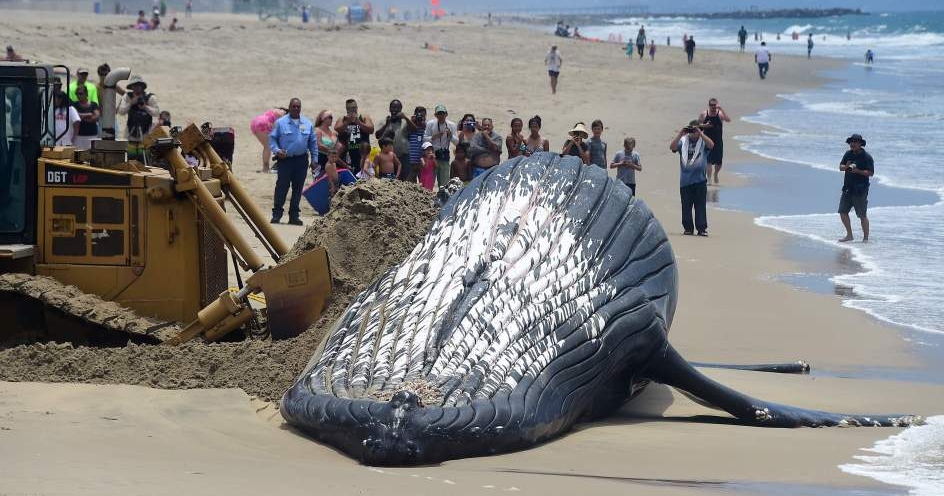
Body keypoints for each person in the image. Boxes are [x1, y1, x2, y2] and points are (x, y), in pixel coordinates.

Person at [268, 98, 318, 225]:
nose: (296, 109)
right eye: (294, 106)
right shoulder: (280, 123)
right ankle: (277, 214)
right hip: (285, 161)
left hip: (301, 160)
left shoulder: (307, 123)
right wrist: (277, 150)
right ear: (289, 107)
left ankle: (294, 216)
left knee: (297, 189)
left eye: (298, 107)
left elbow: (313, 143)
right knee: (282, 187)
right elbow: (272, 139)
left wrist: (314, 159)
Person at [669, 120, 714, 236]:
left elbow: (712, 145)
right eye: (692, 130)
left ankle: (701, 228)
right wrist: (681, 133)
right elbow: (672, 147)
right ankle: (688, 228)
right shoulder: (683, 142)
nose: (693, 133)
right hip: (685, 181)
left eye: (695, 131)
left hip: (700, 180)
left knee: (700, 206)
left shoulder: (703, 143)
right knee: (686, 206)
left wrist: (701, 133)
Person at [837, 134, 873, 242]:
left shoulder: (867, 157)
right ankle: (849, 235)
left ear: (860, 144)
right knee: (842, 212)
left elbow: (870, 173)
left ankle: (865, 238)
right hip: (847, 188)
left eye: (856, 142)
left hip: (860, 189)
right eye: (851, 142)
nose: (853, 144)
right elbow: (840, 167)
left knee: (862, 215)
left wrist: (857, 171)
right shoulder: (848, 154)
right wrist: (846, 167)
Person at [117, 75, 159, 160]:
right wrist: (131, 103)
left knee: (145, 162)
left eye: (138, 85)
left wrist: (145, 107)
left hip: (145, 136)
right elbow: (121, 111)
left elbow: (156, 112)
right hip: (130, 135)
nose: (136, 87)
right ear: (131, 87)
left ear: (142, 86)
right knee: (130, 161)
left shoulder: (150, 97)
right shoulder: (128, 96)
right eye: (134, 85)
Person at [374, 99, 412, 181]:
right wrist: (387, 124)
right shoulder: (384, 121)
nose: (395, 110)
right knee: (389, 180)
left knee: (404, 180)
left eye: (397, 108)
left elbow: (413, 129)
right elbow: (377, 135)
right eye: (393, 108)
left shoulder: (404, 122)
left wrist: (406, 118)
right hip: (388, 156)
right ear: (389, 109)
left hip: (404, 156)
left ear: (401, 109)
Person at [335, 98, 374, 174]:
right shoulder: (343, 119)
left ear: (357, 107)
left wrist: (358, 122)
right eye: (349, 108)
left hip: (362, 153)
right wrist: (347, 122)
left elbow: (371, 130)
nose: (352, 110)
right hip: (349, 154)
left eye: (354, 108)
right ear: (346, 109)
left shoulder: (364, 117)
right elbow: (337, 129)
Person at [423, 104, 458, 188]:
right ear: (435, 115)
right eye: (439, 114)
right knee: (429, 182)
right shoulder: (431, 124)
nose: (441, 116)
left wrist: (450, 135)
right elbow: (424, 139)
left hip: (444, 156)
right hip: (433, 155)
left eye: (443, 113)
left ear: (446, 114)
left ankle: (443, 200)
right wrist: (434, 137)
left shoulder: (451, 125)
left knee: (444, 184)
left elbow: (456, 142)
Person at [698, 98, 731, 184]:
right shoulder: (704, 114)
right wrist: (705, 126)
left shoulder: (719, 114)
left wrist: (722, 109)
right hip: (707, 141)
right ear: (709, 105)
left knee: (718, 162)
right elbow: (698, 125)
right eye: (711, 105)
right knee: (708, 161)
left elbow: (728, 120)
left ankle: (715, 174)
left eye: (714, 105)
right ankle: (709, 179)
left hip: (718, 141)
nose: (713, 107)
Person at [250, 107, 287, 173]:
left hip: (255, 122)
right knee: (268, 147)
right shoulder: (283, 114)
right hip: (263, 124)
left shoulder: (276, 111)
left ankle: (265, 168)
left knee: (267, 146)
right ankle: (265, 169)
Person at [72, 86, 100, 150]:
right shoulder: (75, 104)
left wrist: (82, 118)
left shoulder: (93, 104)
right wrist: (89, 114)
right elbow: (75, 115)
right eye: (77, 94)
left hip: (92, 135)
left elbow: (97, 116)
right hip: (79, 136)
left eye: (81, 93)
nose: (78, 95)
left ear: (86, 94)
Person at [406, 106, 427, 183]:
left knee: (423, 181)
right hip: (411, 160)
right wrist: (411, 120)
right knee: (411, 182)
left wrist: (422, 122)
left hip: (422, 160)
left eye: (423, 116)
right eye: (419, 115)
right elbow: (407, 130)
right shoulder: (410, 125)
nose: (420, 117)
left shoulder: (426, 126)